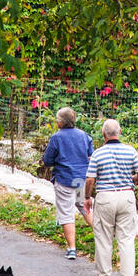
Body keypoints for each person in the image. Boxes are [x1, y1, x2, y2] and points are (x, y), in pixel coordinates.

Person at [84, 118, 138, 276]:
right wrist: (132, 179)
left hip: (105, 197)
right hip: (126, 196)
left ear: (103, 134)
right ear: (119, 132)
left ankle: (104, 274)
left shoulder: (98, 153)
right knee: (126, 237)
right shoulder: (130, 151)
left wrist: (87, 198)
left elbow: (90, 179)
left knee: (104, 236)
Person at [42, 107, 94, 260]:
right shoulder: (84, 136)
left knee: (66, 213)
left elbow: (47, 161)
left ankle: (71, 248)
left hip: (64, 179)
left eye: (57, 119)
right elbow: (91, 158)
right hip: (81, 179)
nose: (56, 122)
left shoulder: (56, 138)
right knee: (83, 206)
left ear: (61, 122)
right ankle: (103, 235)